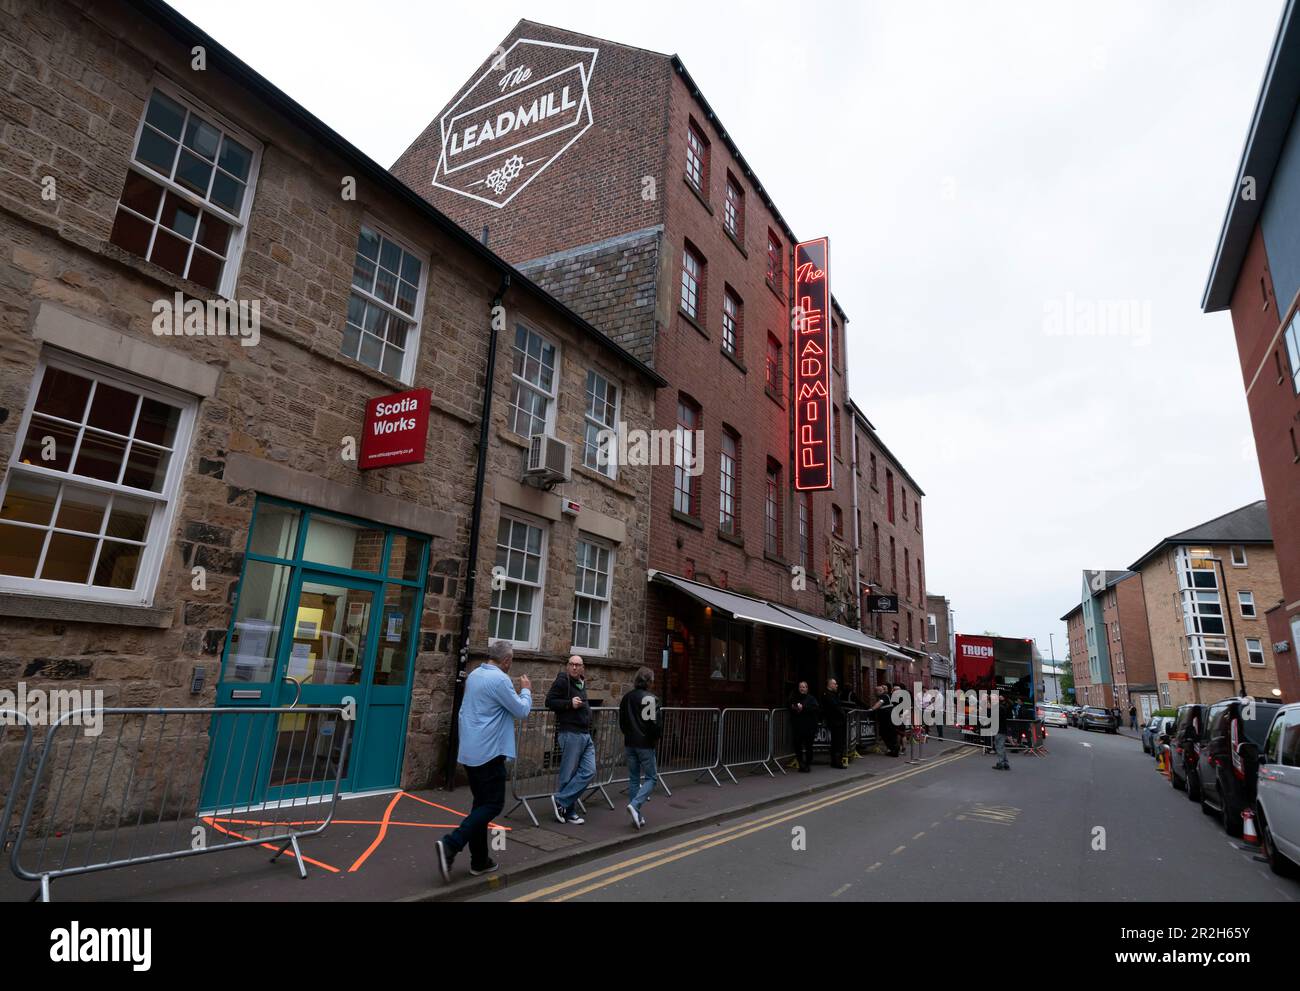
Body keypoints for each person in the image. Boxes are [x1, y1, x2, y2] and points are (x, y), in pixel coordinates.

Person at [436, 641, 532, 883]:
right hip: (489, 752)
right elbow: (521, 710)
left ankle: (480, 861)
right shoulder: (500, 680)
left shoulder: (475, 674)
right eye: (511, 661)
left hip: (470, 751)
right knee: (493, 805)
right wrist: (526, 690)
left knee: (480, 806)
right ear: (507, 661)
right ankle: (451, 843)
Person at [547, 655, 595, 824]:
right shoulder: (562, 681)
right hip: (570, 733)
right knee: (568, 774)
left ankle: (561, 801)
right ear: (568, 666)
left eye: (578, 665)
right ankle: (569, 811)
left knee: (589, 771)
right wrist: (569, 703)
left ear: (583, 668)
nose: (575, 667)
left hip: (585, 733)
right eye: (572, 664)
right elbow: (549, 701)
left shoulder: (581, 682)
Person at [618, 666, 661, 829]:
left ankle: (637, 816)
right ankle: (635, 805)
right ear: (649, 681)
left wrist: (629, 735)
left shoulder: (627, 698)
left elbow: (622, 722)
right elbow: (654, 724)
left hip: (630, 742)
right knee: (651, 778)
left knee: (634, 779)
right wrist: (654, 739)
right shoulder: (650, 698)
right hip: (645, 744)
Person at [789, 680, 820, 772]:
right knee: (797, 746)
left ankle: (807, 764)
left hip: (809, 727)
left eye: (803, 687)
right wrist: (794, 708)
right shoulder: (795, 698)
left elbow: (815, 709)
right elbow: (791, 707)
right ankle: (801, 764)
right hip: (798, 727)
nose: (802, 688)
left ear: (807, 688)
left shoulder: (811, 699)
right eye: (800, 687)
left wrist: (804, 708)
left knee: (808, 747)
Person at [822, 678, 848, 768]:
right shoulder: (829, 695)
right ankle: (837, 762)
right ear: (830, 685)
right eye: (835, 684)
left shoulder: (831, 694)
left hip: (836, 722)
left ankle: (835, 761)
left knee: (836, 743)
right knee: (838, 743)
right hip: (836, 722)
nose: (836, 685)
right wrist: (843, 715)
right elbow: (836, 708)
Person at [871, 681, 900, 757]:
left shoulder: (884, 696)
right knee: (888, 734)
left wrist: (872, 709)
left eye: (876, 691)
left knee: (888, 734)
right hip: (887, 719)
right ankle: (893, 750)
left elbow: (879, 704)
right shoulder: (885, 696)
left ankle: (894, 750)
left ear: (880, 691)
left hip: (888, 720)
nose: (875, 693)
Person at [992, 690, 1012, 771]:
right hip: (1003, 729)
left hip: (999, 730)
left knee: (999, 747)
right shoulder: (1003, 707)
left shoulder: (999, 708)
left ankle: (1001, 763)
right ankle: (1006, 763)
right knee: (1002, 747)